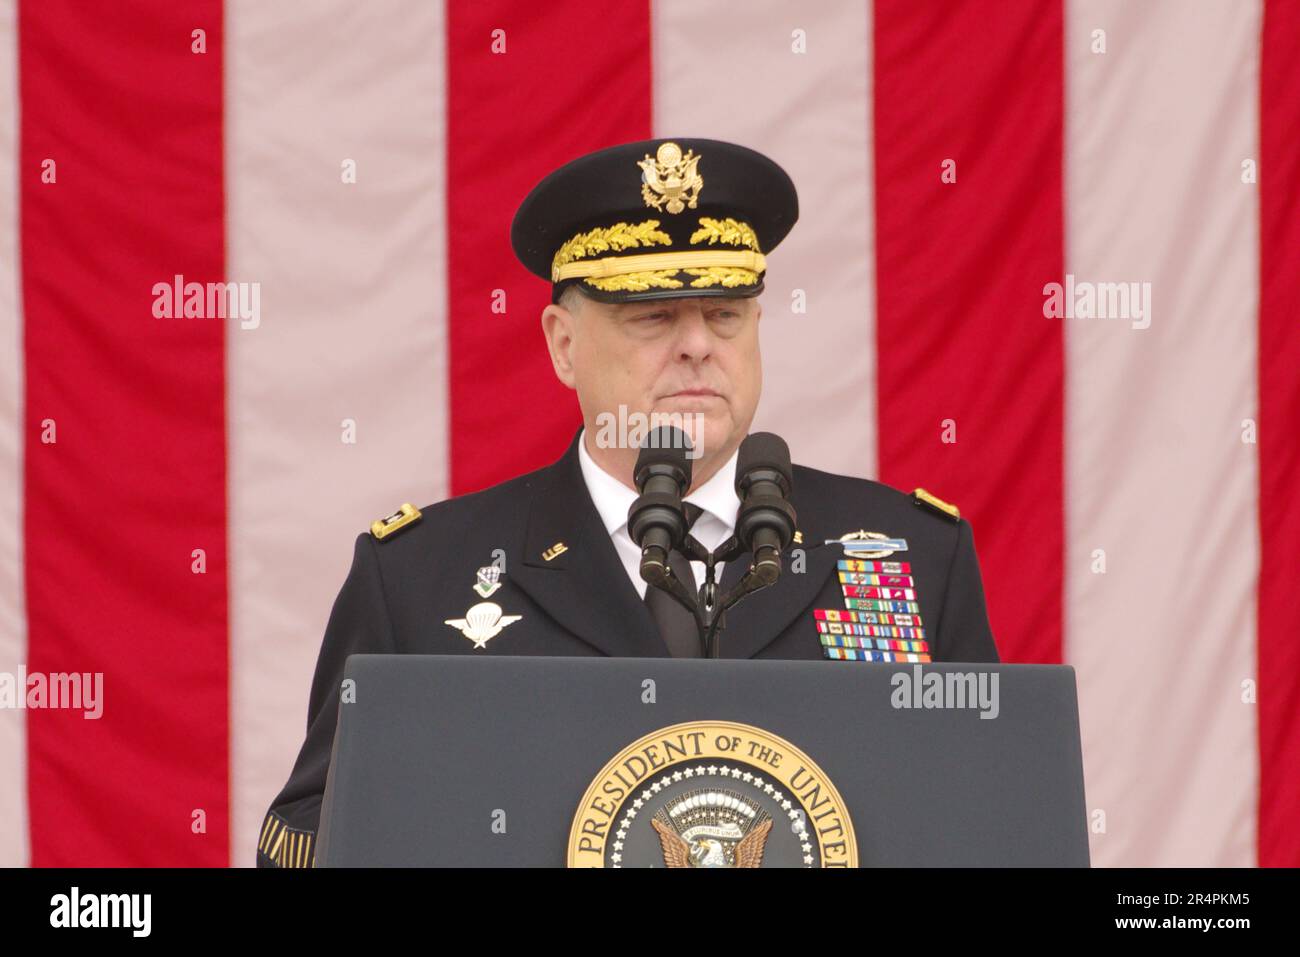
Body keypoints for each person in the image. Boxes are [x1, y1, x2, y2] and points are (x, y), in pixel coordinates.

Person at [256, 137, 998, 868]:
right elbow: (314, 837)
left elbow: (996, 818)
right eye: (654, 317)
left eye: (726, 313)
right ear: (562, 344)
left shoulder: (913, 554)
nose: (698, 345)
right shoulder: (418, 581)